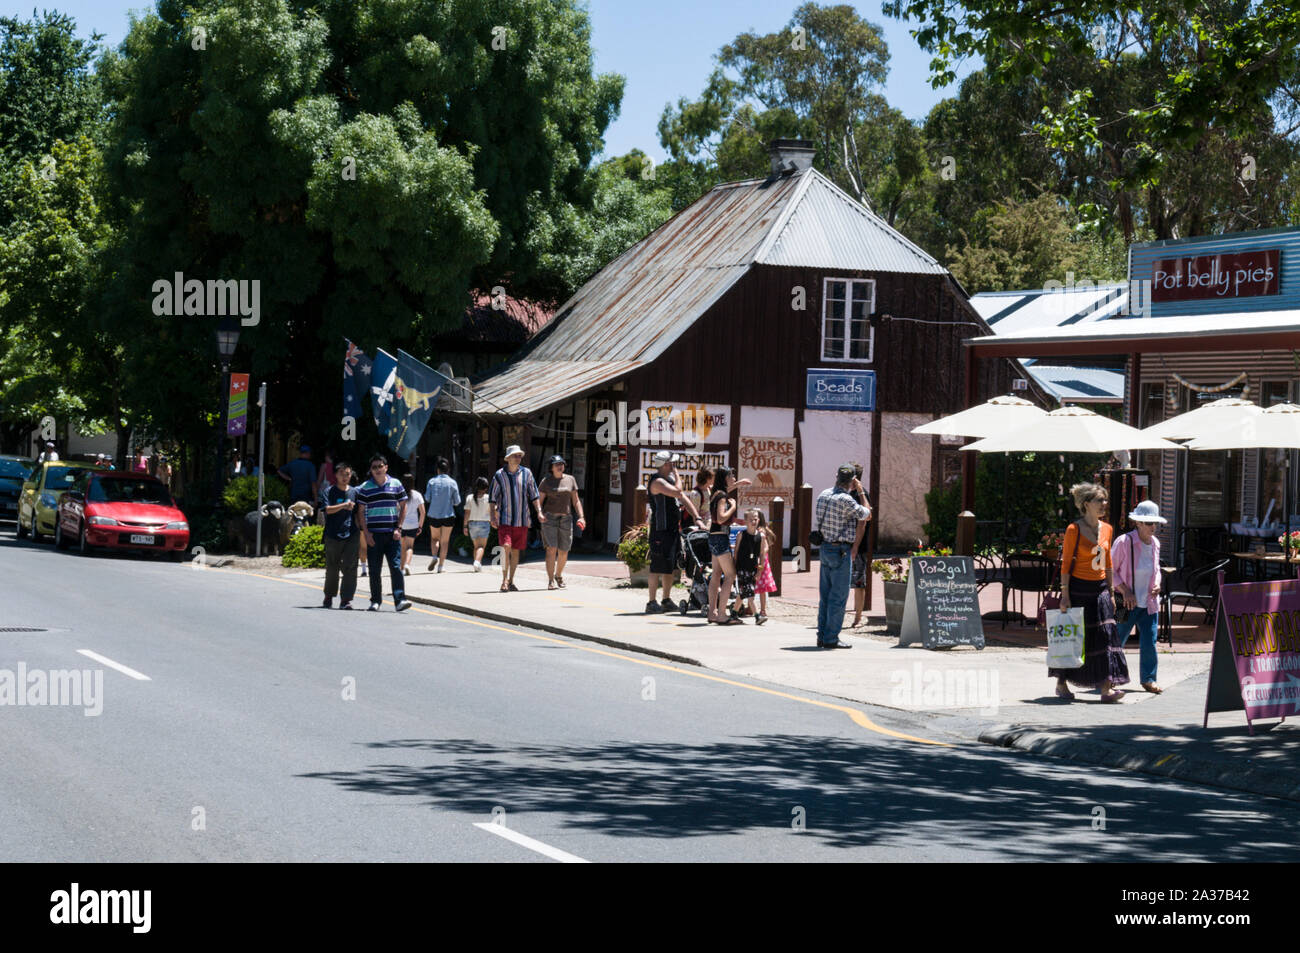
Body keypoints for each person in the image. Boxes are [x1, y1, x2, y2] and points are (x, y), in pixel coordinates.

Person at [1052, 482, 1130, 702]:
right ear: (1086, 504)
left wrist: (1113, 592)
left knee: (1106, 637)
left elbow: (1108, 563)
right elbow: (1066, 564)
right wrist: (1065, 594)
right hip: (1078, 589)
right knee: (1076, 639)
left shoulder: (1107, 529)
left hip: (1101, 590)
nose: (1104, 504)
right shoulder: (1073, 530)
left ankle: (1106, 688)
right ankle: (1061, 682)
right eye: (1099, 500)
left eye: (1105, 500)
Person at [814, 464, 871, 648]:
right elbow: (867, 514)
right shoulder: (846, 500)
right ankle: (831, 638)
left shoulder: (823, 495)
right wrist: (861, 492)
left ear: (836, 476)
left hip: (824, 548)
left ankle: (821, 635)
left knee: (825, 595)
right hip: (841, 550)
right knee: (838, 597)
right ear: (853, 481)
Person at [1113, 500, 1165, 695]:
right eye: (1149, 523)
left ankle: (1149, 680)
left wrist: (1158, 583)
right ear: (1138, 523)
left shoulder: (1156, 543)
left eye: (1155, 523)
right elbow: (1110, 570)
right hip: (1124, 601)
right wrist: (1125, 590)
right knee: (1118, 639)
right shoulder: (1124, 542)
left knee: (1150, 642)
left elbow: (1156, 569)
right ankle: (1110, 677)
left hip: (1149, 602)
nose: (1153, 527)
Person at [354, 454, 412, 612]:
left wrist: (398, 528)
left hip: (392, 534)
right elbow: (361, 512)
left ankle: (400, 600)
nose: (378, 469)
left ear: (386, 467)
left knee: (395, 567)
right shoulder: (365, 488)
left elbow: (403, 505)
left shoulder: (396, 484)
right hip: (374, 535)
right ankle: (375, 601)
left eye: (380, 466)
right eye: (374, 467)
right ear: (371, 470)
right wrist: (366, 533)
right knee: (374, 569)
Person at [646, 450, 702, 613]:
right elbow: (678, 491)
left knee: (670, 566)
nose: (674, 466)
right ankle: (651, 602)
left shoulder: (667, 480)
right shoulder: (657, 482)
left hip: (672, 530)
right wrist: (678, 475)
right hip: (660, 530)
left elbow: (683, 497)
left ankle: (666, 599)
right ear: (665, 464)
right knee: (657, 566)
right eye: (672, 463)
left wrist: (697, 517)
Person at [489, 445, 543, 592]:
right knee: (506, 547)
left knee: (516, 550)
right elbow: (492, 498)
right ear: (507, 459)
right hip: (505, 519)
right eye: (515, 455)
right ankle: (504, 579)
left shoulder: (527, 474)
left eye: (519, 455)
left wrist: (539, 511)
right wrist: (492, 517)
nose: (518, 458)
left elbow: (534, 495)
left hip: (522, 519)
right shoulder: (499, 475)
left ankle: (511, 580)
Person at [538, 455, 586, 589]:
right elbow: (539, 502)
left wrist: (581, 516)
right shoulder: (546, 481)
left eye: (562, 464)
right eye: (557, 464)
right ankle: (550, 580)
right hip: (549, 518)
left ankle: (558, 575)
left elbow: (576, 501)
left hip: (566, 518)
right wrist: (539, 513)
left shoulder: (570, 479)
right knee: (551, 549)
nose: (560, 466)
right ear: (551, 468)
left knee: (564, 550)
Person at [706, 467, 743, 624]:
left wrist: (739, 484)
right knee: (730, 575)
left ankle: (712, 612)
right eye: (731, 475)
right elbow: (721, 519)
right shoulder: (722, 497)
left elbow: (719, 518)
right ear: (725, 478)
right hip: (721, 537)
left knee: (716, 574)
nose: (734, 477)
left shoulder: (716, 494)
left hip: (713, 537)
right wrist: (733, 507)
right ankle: (722, 614)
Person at [320, 461, 359, 609]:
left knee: (350, 567)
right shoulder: (329, 491)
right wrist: (344, 505)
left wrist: (363, 531)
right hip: (332, 534)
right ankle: (328, 596)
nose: (344, 477)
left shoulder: (355, 492)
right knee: (332, 567)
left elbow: (359, 513)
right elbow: (327, 509)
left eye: (347, 474)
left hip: (351, 534)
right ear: (336, 475)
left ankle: (346, 600)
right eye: (341, 474)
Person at [424, 456, 461, 573]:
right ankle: (441, 566)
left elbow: (427, 498)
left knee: (435, 538)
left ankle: (434, 556)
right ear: (448, 470)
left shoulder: (431, 481)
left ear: (437, 470)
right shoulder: (452, 482)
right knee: (445, 541)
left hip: (434, 514)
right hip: (448, 514)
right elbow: (457, 501)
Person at [731, 508, 765, 621]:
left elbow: (761, 554)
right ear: (745, 521)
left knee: (743, 593)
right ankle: (757, 616)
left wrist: (760, 570)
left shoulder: (761, 537)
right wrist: (734, 568)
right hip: (742, 569)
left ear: (759, 520)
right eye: (751, 519)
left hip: (753, 569)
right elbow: (735, 553)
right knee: (750, 594)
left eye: (755, 519)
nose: (753, 521)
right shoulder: (741, 535)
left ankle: (734, 613)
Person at [848, 463, 870, 627]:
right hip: (848, 544)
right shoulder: (849, 495)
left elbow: (863, 522)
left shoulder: (861, 495)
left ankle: (858, 617)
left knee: (858, 582)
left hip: (859, 546)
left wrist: (855, 546)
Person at [462, 476, 492, 571]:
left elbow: (467, 513)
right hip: (484, 523)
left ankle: (477, 565)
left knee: (476, 546)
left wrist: (465, 526)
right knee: (481, 547)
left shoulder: (470, 497)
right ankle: (477, 562)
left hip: (472, 524)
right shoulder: (488, 498)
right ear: (486, 488)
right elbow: (493, 512)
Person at [399, 471, 426, 576]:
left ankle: (401, 569)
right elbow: (423, 512)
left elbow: (396, 510)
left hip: (401, 524)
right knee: (410, 547)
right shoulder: (417, 495)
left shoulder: (399, 494)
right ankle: (407, 565)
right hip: (413, 525)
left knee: (402, 547)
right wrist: (420, 526)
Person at [753, 509, 777, 624]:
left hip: (760, 561)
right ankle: (761, 610)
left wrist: (760, 552)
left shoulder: (760, 531)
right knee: (761, 587)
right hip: (762, 560)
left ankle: (760, 609)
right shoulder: (760, 529)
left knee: (756, 585)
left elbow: (766, 546)